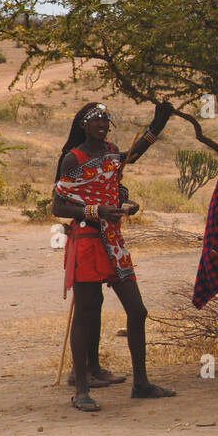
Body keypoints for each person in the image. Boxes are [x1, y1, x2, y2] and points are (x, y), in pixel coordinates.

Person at [52, 102, 176, 412]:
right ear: (83, 124)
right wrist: (95, 211)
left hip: (112, 240)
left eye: (107, 120)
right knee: (86, 312)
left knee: (137, 310)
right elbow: (58, 206)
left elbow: (129, 159)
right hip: (87, 240)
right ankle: (81, 389)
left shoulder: (110, 151)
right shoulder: (73, 159)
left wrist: (156, 126)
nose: (103, 124)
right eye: (97, 120)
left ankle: (141, 383)